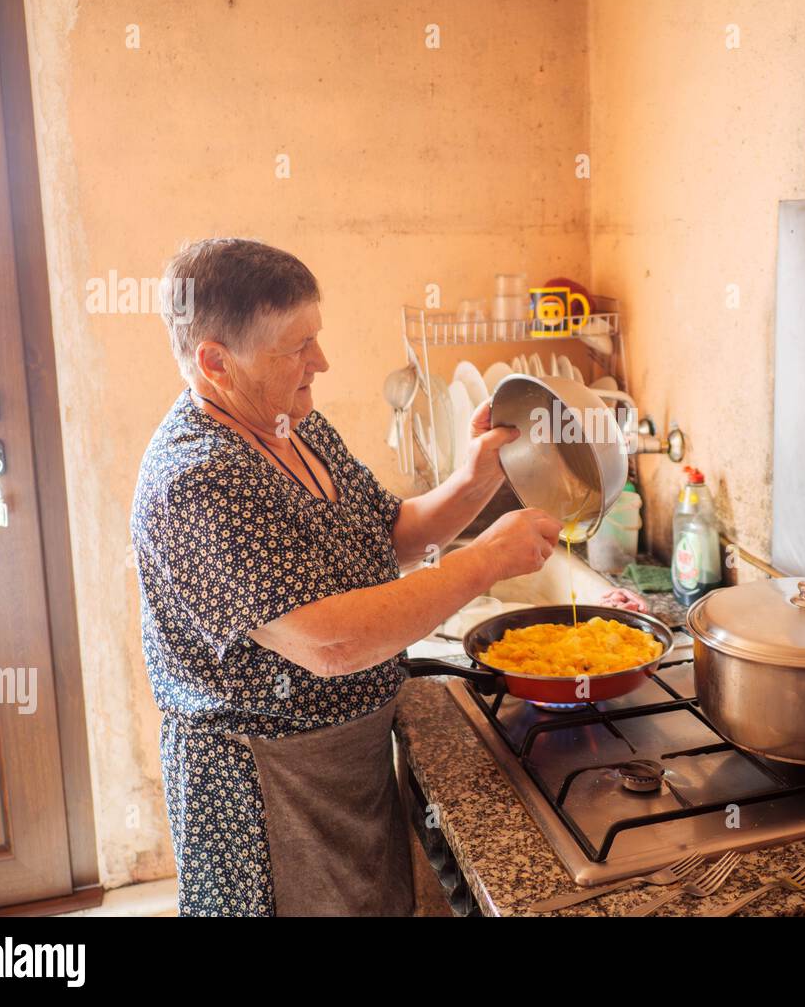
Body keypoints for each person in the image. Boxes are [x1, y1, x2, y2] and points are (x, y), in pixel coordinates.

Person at [130, 237, 560, 915]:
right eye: (296, 347)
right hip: (267, 790)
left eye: (316, 338)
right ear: (215, 362)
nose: (320, 362)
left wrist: (475, 478)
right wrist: (485, 559)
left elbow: (386, 533)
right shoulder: (196, 480)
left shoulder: (289, 422)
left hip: (347, 762)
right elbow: (328, 642)